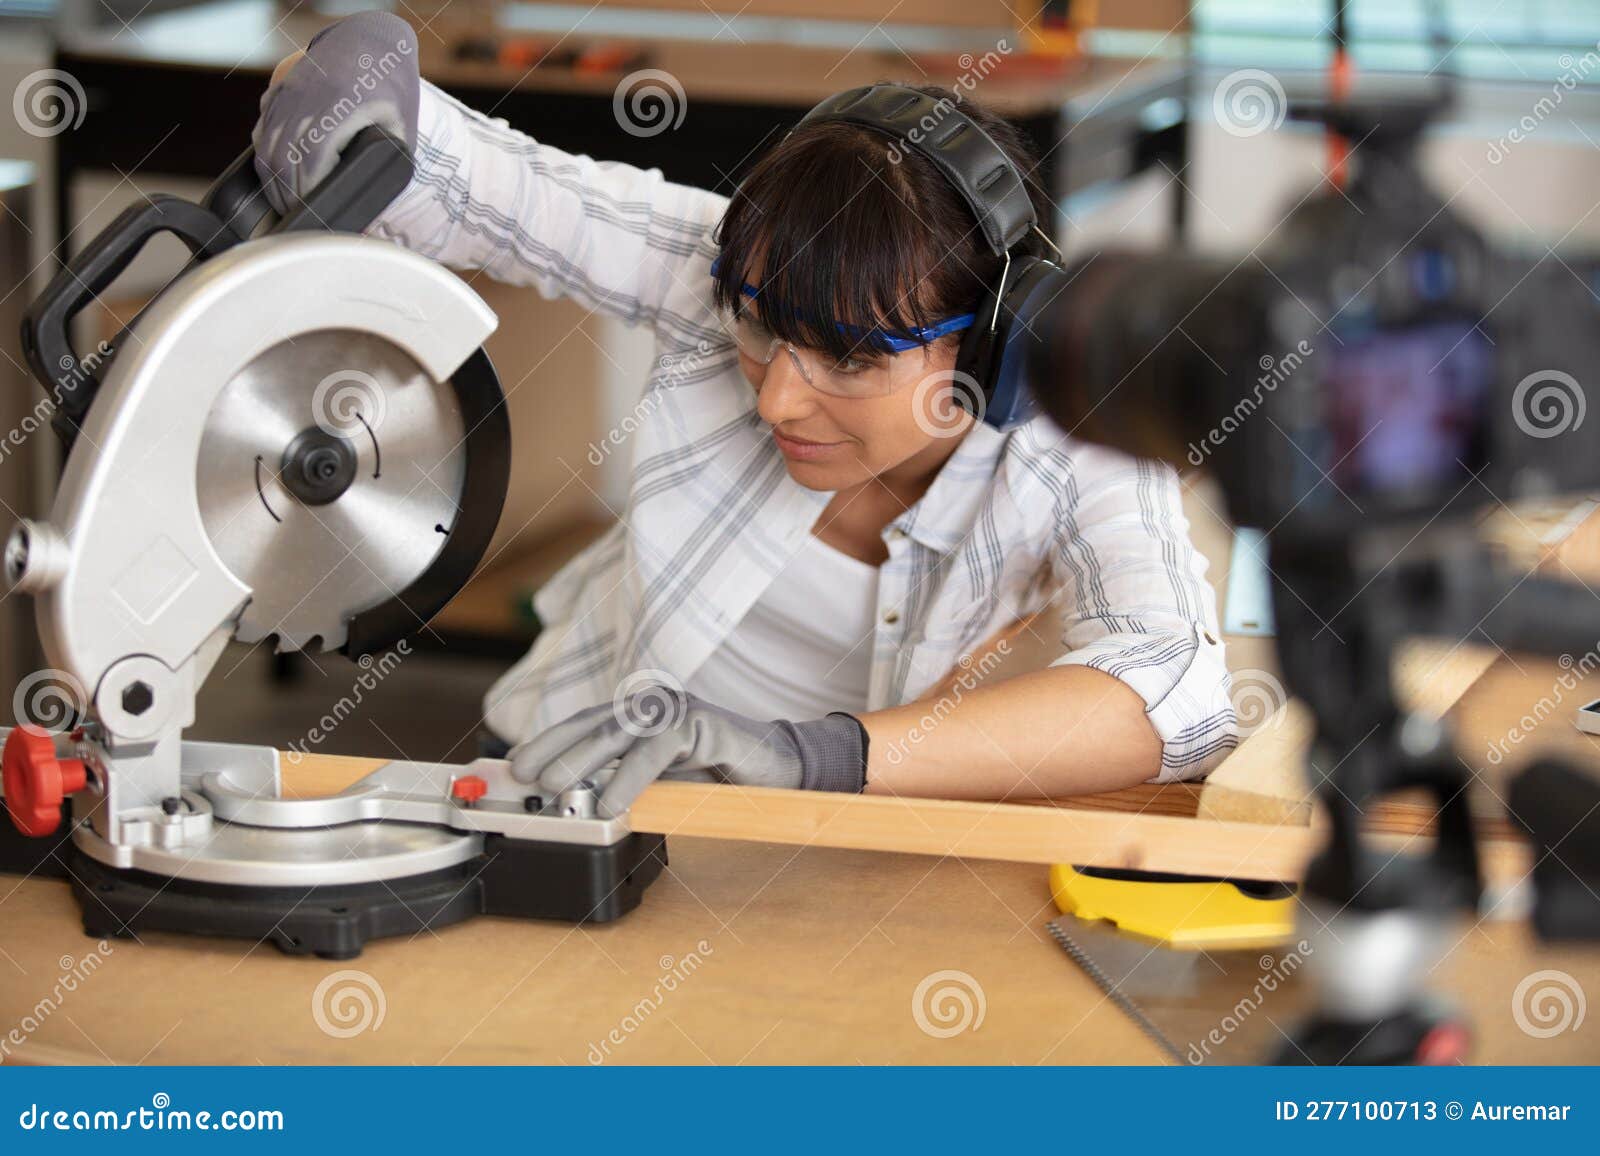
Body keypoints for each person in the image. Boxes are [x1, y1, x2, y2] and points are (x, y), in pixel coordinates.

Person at [252, 11, 1237, 816]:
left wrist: (804, 757)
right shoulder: (732, 265)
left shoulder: (1075, 427)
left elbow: (1176, 689)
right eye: (757, 332)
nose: (775, 394)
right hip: (569, 764)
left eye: (849, 358)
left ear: (987, 342)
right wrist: (338, 92)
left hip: (831, 810)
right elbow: (488, 182)